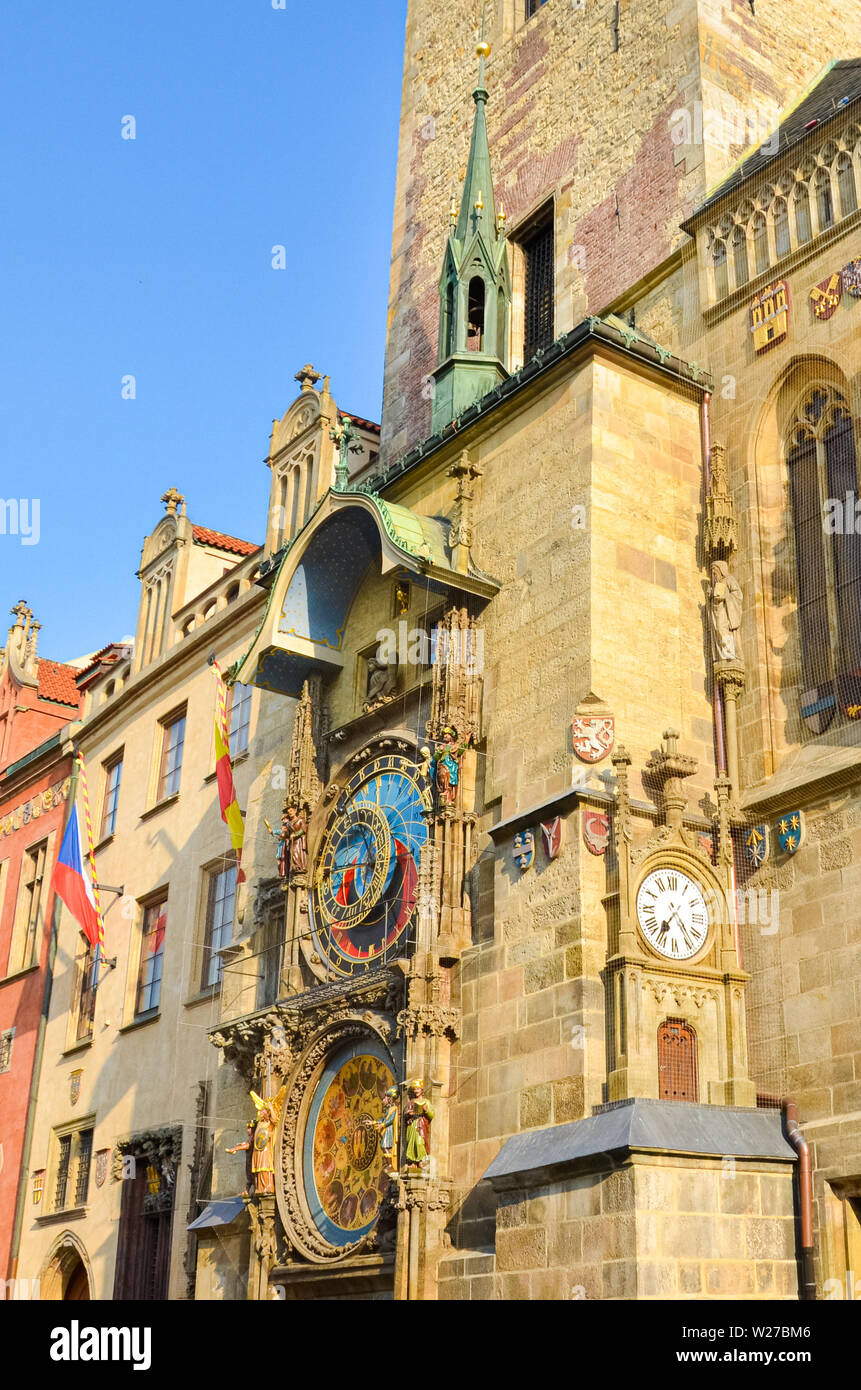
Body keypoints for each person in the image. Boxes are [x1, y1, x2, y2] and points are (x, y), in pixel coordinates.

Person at [709, 561, 743, 661]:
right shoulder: (716, 584)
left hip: (726, 610)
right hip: (717, 611)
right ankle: (722, 655)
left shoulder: (729, 579)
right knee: (718, 630)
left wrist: (725, 596)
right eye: (712, 570)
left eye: (715, 569)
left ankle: (730, 653)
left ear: (721, 569)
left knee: (723, 629)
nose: (713, 572)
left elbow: (738, 594)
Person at [404, 1080, 434, 1170]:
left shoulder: (426, 1101)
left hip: (421, 1125)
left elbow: (432, 1114)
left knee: (419, 1142)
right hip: (412, 1125)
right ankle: (412, 1162)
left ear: (421, 1090)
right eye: (414, 1089)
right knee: (411, 1143)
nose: (416, 1091)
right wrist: (409, 1113)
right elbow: (405, 1114)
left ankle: (421, 1161)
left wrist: (426, 1110)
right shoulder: (410, 1102)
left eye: (417, 1089)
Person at [375, 1087, 400, 1178]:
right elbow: (384, 1119)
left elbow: (390, 1119)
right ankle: (389, 1164)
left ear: (390, 1099)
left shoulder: (394, 1108)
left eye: (386, 1098)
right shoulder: (389, 1109)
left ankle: (391, 1165)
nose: (383, 1100)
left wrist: (383, 1125)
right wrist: (374, 1122)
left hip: (389, 1131)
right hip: (387, 1130)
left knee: (385, 1146)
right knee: (385, 1147)